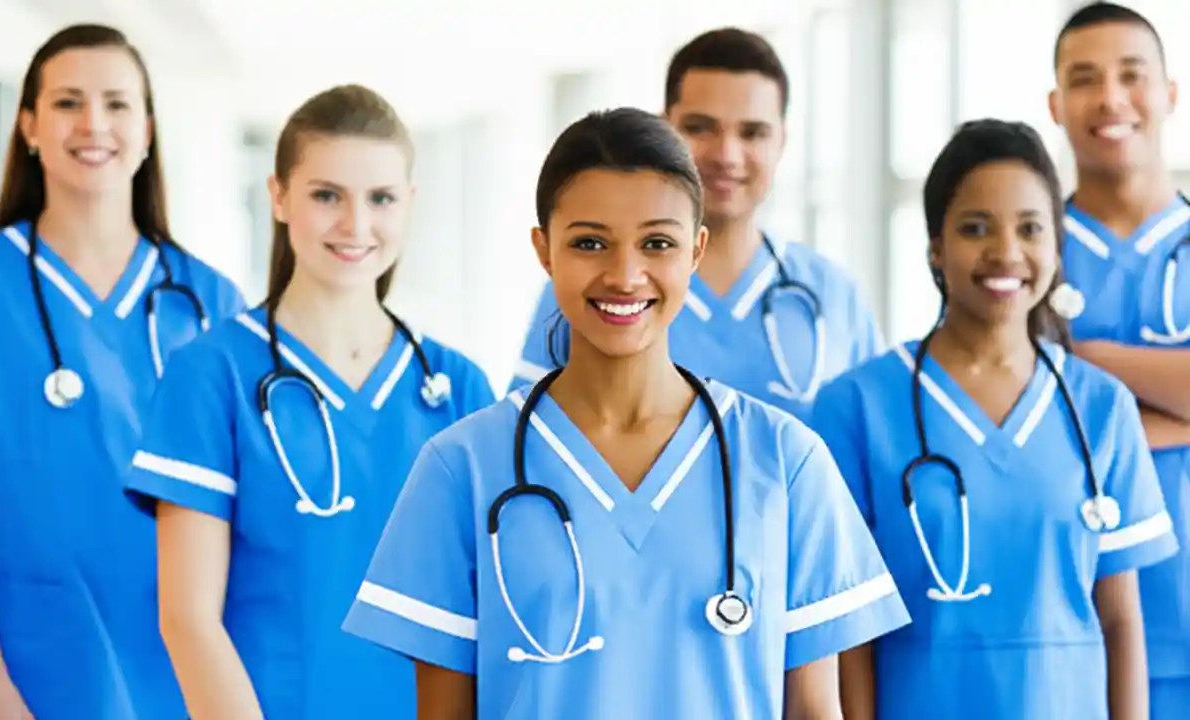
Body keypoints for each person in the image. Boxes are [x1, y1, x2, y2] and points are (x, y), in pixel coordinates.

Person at [341, 107, 910, 720]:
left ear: (695, 250)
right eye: (590, 243)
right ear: (544, 250)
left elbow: (816, 710)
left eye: (657, 243)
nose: (625, 274)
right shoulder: (462, 469)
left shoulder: (784, 460)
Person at [123, 84, 496, 719]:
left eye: (379, 198)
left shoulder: (456, 387)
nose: (355, 224)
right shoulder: (214, 375)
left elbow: (481, 614)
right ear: (279, 196)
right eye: (327, 195)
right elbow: (188, 620)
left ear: (408, 204)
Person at [0, 23, 244, 719]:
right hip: (35, 669)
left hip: (182, 672)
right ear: (29, 125)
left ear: (148, 129)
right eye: (67, 103)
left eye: (118, 104)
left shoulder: (211, 303)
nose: (94, 123)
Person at [811, 119, 1178, 719]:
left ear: (1056, 246)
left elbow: (1121, 618)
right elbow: (848, 630)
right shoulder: (856, 407)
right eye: (975, 228)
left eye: (1030, 228)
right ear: (935, 245)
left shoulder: (1101, 407)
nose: (1006, 252)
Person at [507, 28, 882, 424]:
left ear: (782, 141)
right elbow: (526, 441)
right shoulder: (594, 287)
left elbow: (869, 452)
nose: (726, 155)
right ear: (663, 129)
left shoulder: (835, 297)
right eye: (700, 128)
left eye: (752, 132)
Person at [1049, 3, 1190, 715]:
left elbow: (1071, 408)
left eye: (1131, 75)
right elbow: (1029, 420)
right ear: (1055, 104)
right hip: (1075, 627)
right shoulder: (1027, 253)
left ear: (1170, 92)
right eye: (1084, 79)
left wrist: (1090, 356)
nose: (1109, 98)